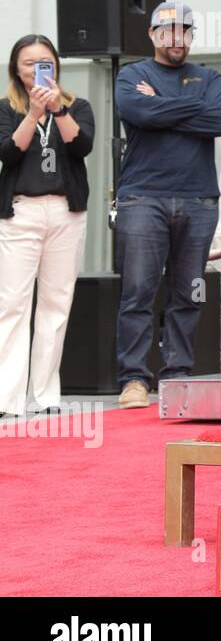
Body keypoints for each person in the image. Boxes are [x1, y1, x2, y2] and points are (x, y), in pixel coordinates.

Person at [113, 3, 221, 409]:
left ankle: (178, 374)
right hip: (143, 196)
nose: (175, 38)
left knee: (188, 293)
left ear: (191, 36)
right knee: (139, 291)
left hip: (199, 198)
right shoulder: (132, 75)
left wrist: (160, 107)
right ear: (152, 35)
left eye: (183, 30)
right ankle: (134, 379)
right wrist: (190, 107)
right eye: (167, 31)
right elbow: (135, 111)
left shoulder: (209, 77)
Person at [0, 36, 94, 417]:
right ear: (16, 69)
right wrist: (33, 114)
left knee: (56, 304)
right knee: (12, 304)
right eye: (28, 63)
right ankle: (7, 398)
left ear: (55, 65)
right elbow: (7, 151)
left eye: (45, 61)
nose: (37, 68)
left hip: (66, 213)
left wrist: (56, 110)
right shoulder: (6, 108)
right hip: (21, 212)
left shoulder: (77, 106)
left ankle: (45, 395)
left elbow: (81, 146)